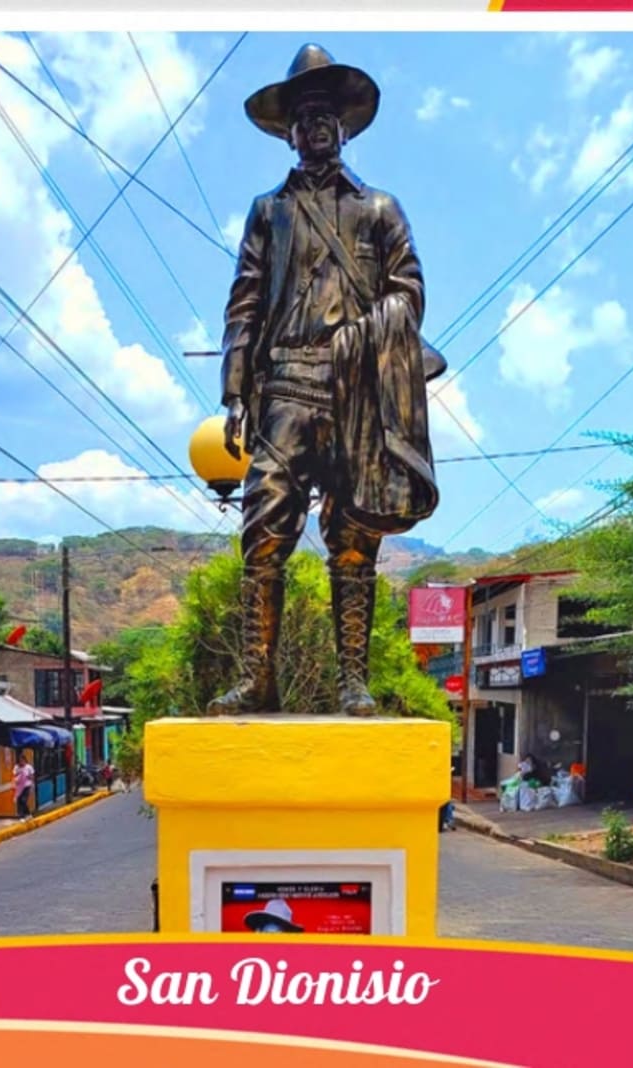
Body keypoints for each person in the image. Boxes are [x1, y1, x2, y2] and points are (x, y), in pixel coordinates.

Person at [209, 43, 440, 718]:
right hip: (282, 387)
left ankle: (352, 683)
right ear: (287, 132)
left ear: (344, 127)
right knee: (265, 530)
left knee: (352, 536)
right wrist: (233, 391)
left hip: (356, 393)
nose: (315, 126)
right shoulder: (268, 212)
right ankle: (258, 679)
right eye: (303, 115)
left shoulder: (379, 209)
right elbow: (244, 302)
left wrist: (362, 336)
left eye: (326, 115)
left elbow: (409, 290)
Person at [13, 752, 34, 821]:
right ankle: (23, 815)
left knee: (23, 800)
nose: (21, 762)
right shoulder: (16, 767)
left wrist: (27, 776)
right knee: (19, 801)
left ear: (25, 760)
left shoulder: (29, 767)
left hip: (26, 786)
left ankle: (25, 815)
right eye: (20, 761)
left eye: (22, 760)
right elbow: (14, 775)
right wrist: (19, 773)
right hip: (19, 787)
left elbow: (32, 776)